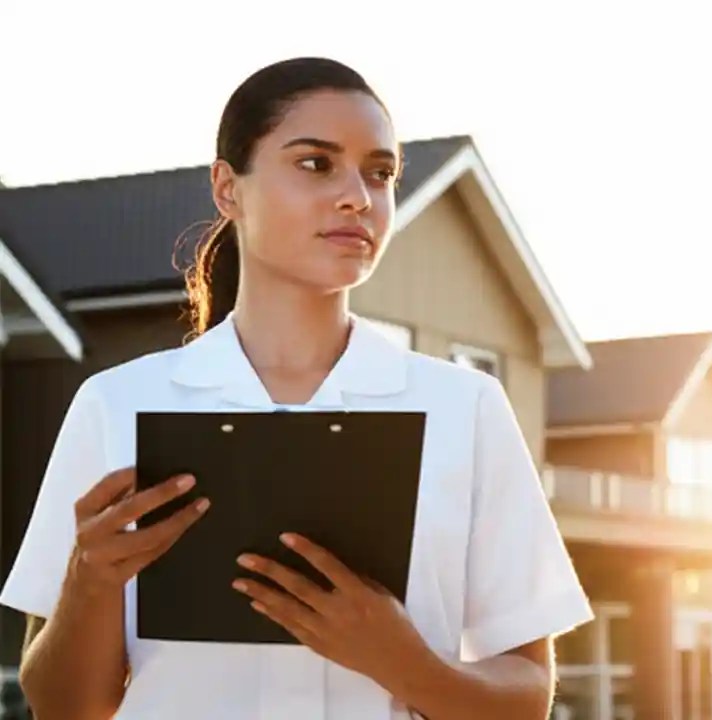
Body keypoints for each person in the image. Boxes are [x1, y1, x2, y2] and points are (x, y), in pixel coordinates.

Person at [0, 57, 593, 719]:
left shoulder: (468, 409)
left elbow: (525, 701)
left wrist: (399, 659)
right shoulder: (116, 407)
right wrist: (90, 581)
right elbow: (62, 707)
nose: (358, 198)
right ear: (228, 189)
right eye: (316, 163)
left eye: (380, 173)